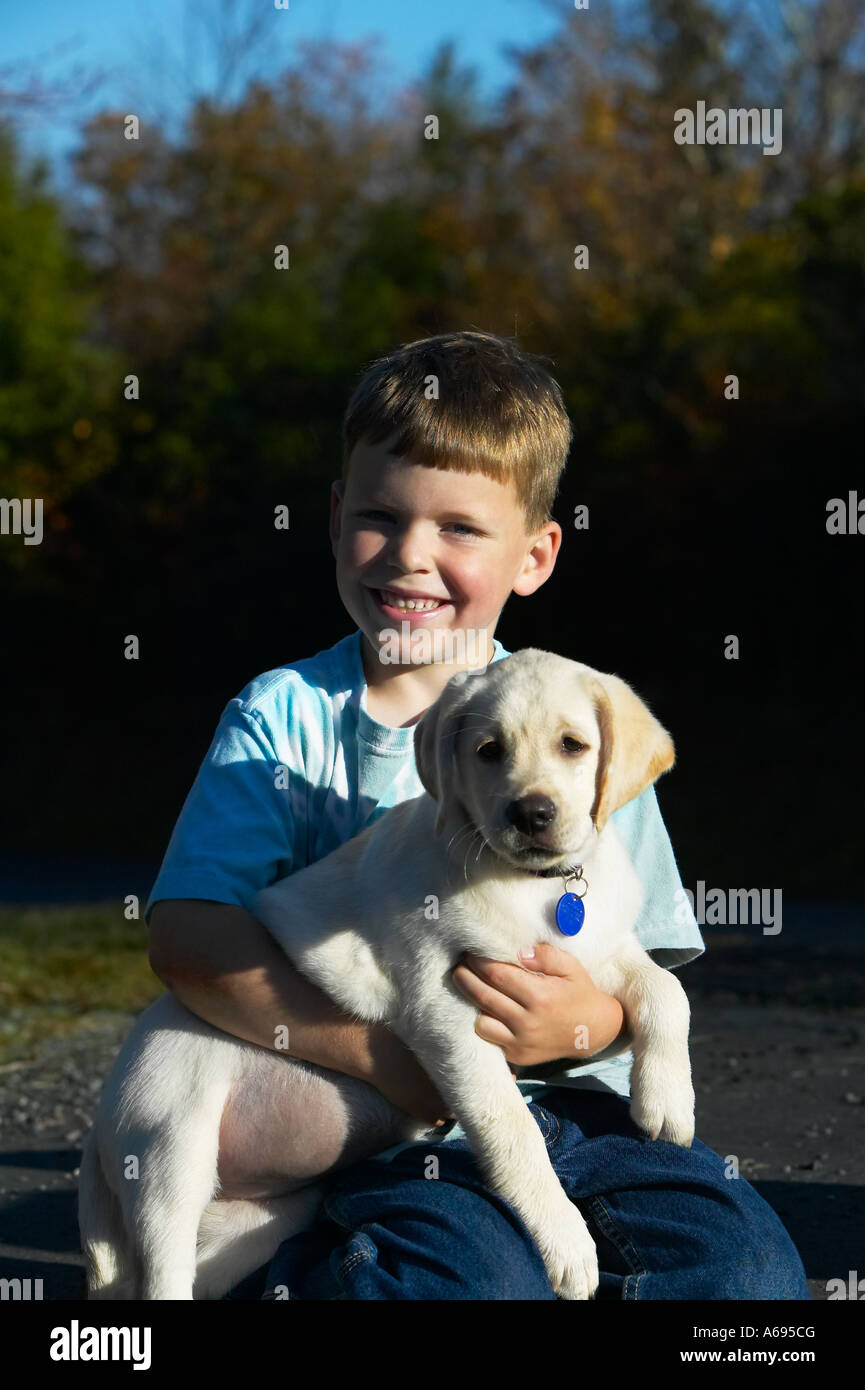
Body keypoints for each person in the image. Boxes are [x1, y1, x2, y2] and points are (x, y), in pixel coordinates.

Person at [145, 330, 810, 1300]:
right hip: (382, 1122)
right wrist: (389, 1058)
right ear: (334, 520)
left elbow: (637, 969)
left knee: (750, 1279)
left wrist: (588, 1023)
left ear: (536, 553)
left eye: (459, 527)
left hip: (575, 1109)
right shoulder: (282, 719)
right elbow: (188, 938)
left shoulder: (582, 720)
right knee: (470, 1281)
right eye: (380, 515)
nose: (412, 555)